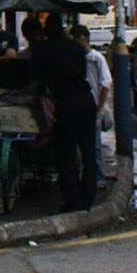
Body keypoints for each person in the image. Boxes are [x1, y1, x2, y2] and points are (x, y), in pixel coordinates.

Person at [29, 17, 98, 212]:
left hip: (65, 103)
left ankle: (73, 199)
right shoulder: (75, 47)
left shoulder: (41, 50)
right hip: (85, 100)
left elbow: (36, 82)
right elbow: (82, 74)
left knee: (65, 154)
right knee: (88, 151)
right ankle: (88, 197)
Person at [72, 24, 116, 184]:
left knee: (93, 145)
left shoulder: (96, 58)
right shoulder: (76, 59)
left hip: (93, 108)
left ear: (84, 38)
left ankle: (98, 178)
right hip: (81, 106)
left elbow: (106, 84)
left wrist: (99, 108)